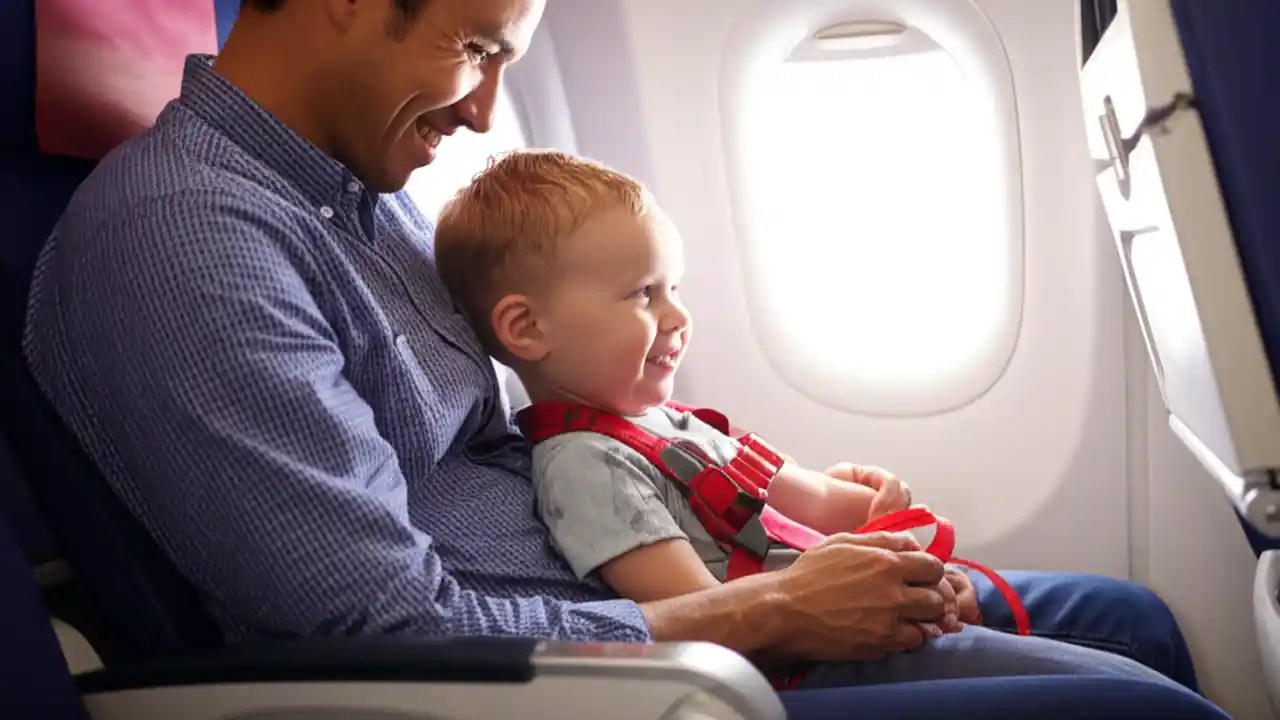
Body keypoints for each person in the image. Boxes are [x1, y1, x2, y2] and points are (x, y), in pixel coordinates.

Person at [20, 0, 1207, 711]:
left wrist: (750, 523)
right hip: (568, 691)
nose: (484, 112)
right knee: (1140, 706)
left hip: (642, 607)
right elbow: (378, 628)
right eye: (475, 47)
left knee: (1128, 620)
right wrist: (768, 608)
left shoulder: (367, 205)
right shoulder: (186, 240)